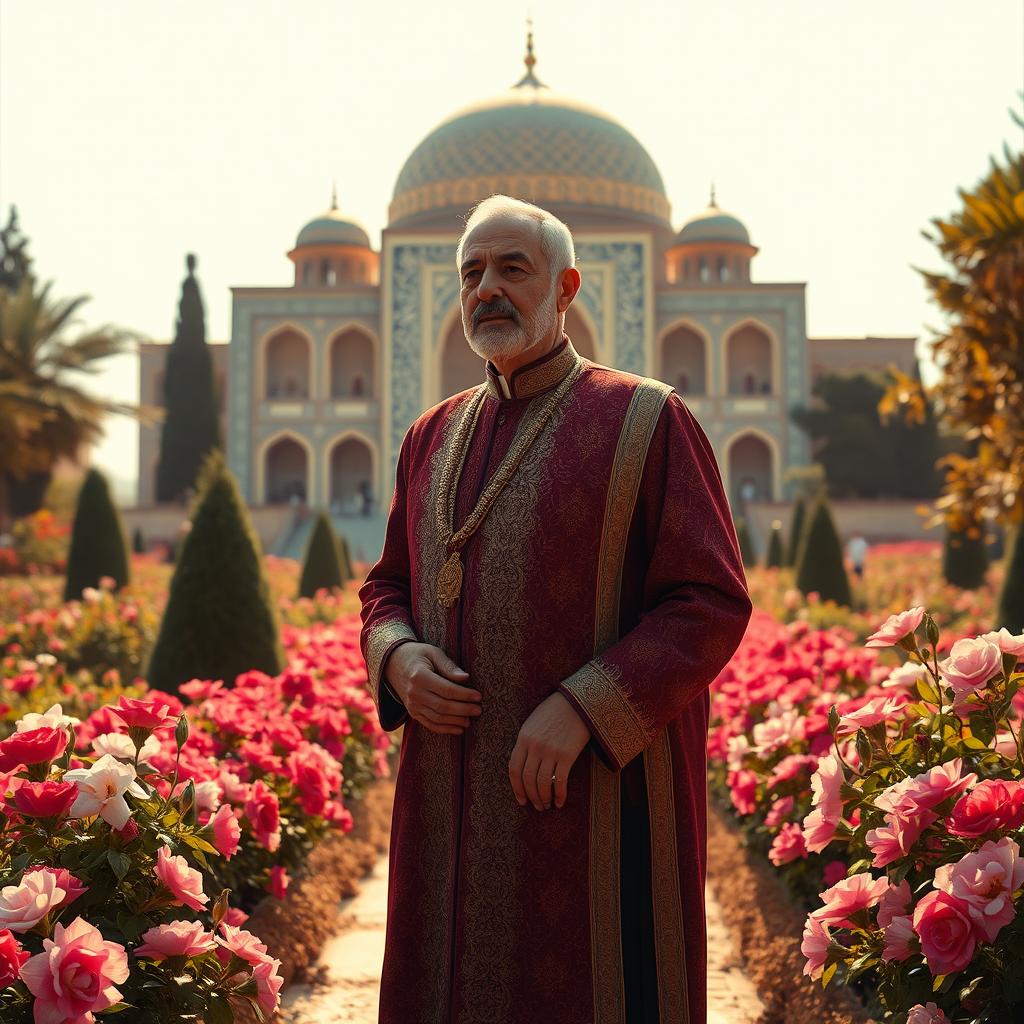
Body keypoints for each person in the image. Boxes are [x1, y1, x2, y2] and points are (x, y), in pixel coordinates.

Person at [358, 195, 753, 1024]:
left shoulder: (646, 419)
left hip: (593, 801)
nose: (487, 291)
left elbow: (709, 600)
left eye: (512, 268)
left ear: (568, 286)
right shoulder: (430, 436)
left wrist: (585, 707)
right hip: (449, 800)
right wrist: (397, 655)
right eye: (471, 273)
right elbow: (386, 586)